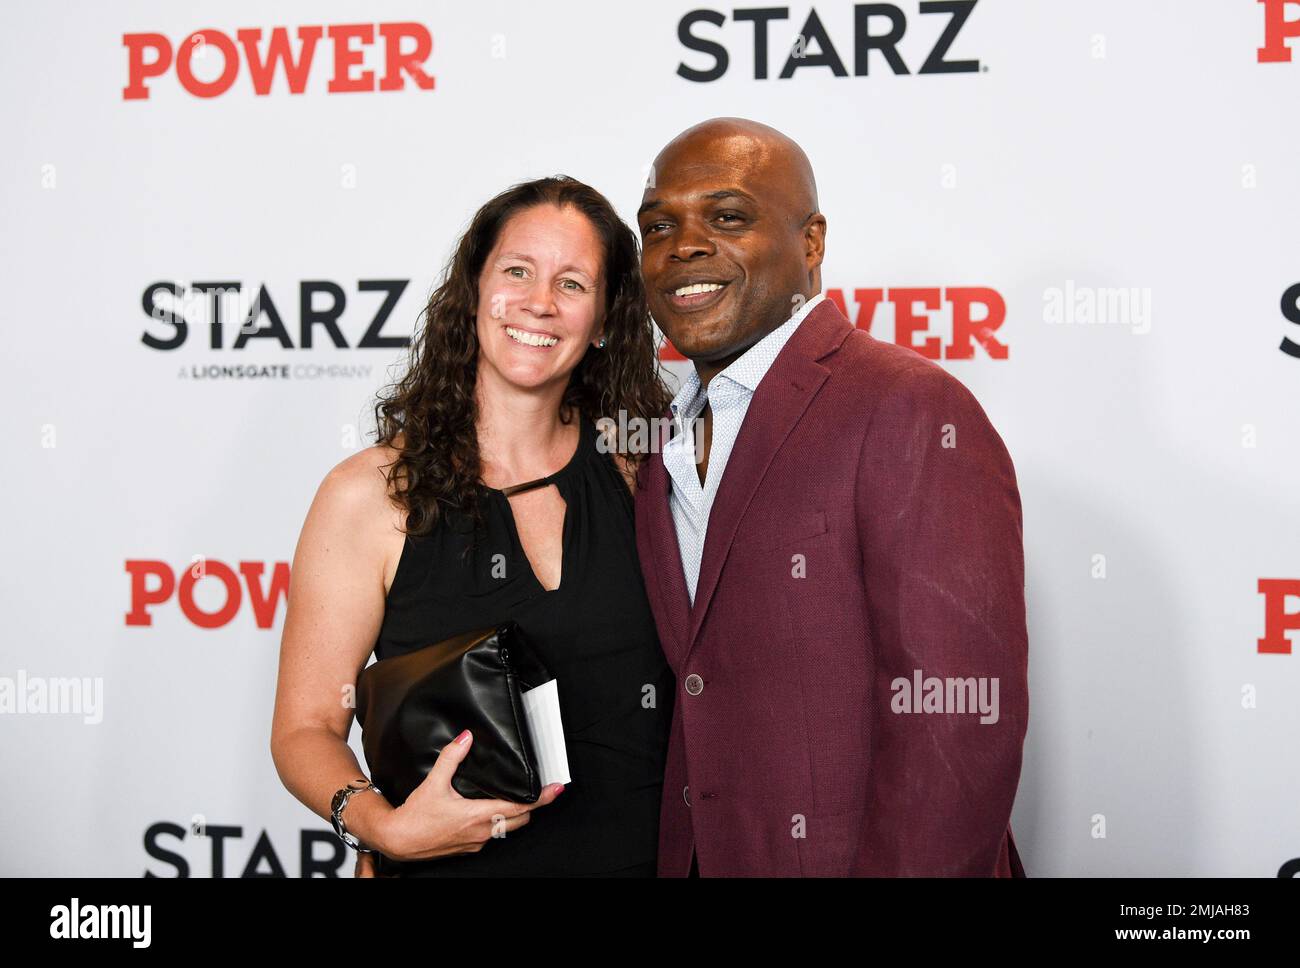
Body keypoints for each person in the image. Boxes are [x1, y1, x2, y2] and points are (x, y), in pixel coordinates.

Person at [633, 117, 1029, 876]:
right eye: (659, 226)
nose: (683, 245)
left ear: (810, 243)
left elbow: (954, 714)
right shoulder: (657, 435)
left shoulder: (908, 406)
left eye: (728, 217)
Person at [271, 176, 675, 877]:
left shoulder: (642, 469)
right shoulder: (370, 496)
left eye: (573, 284)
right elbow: (305, 730)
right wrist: (382, 828)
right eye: (517, 271)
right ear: (474, 290)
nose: (540, 302)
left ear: (607, 319)